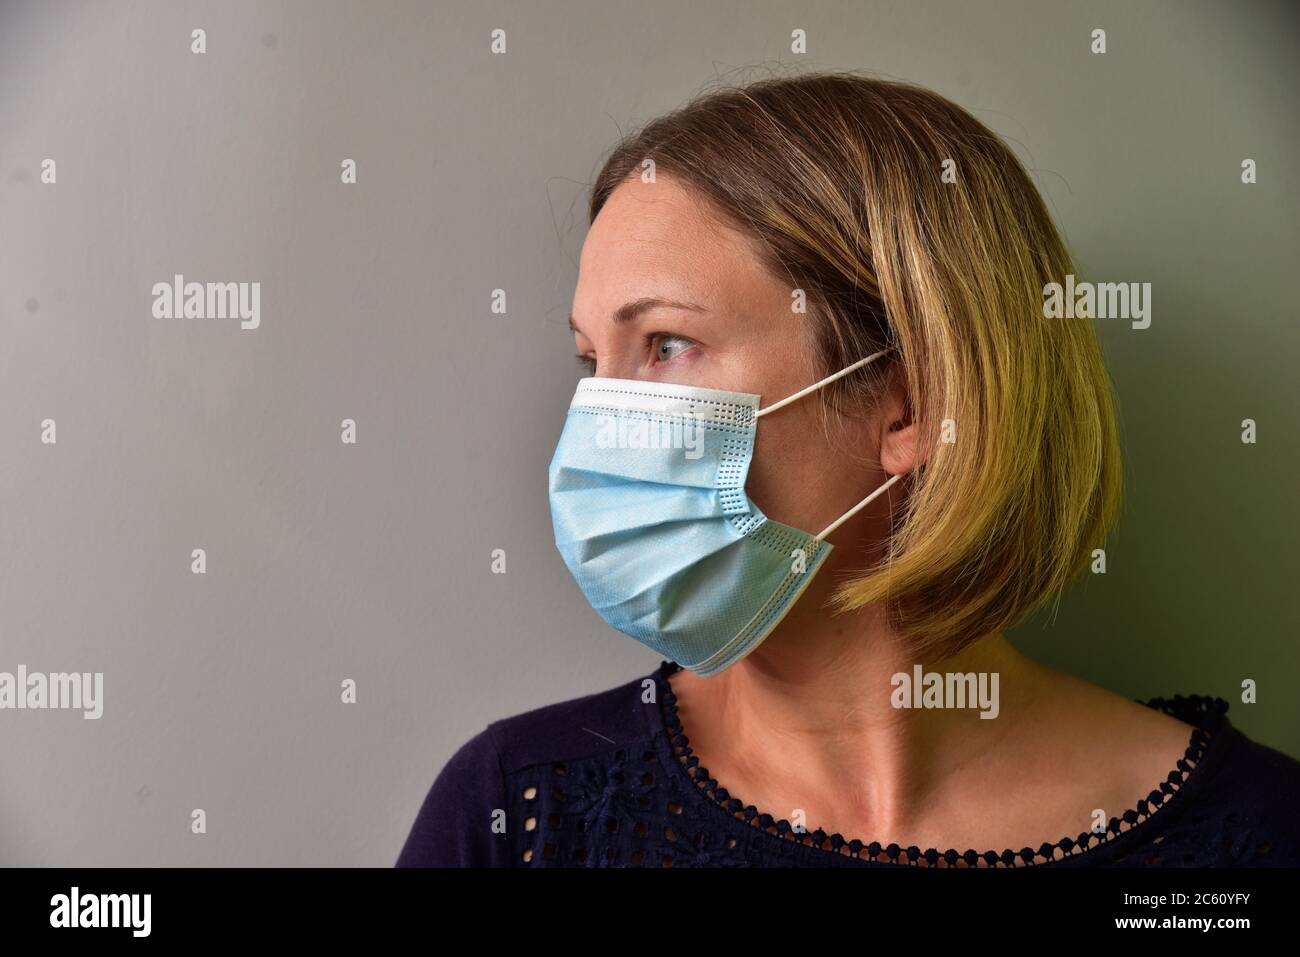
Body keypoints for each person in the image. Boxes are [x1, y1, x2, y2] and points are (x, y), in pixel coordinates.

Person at [397, 71, 1300, 868]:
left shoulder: (1249, 838)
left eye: (667, 343)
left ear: (907, 404)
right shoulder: (521, 813)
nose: (599, 418)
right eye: (594, 360)